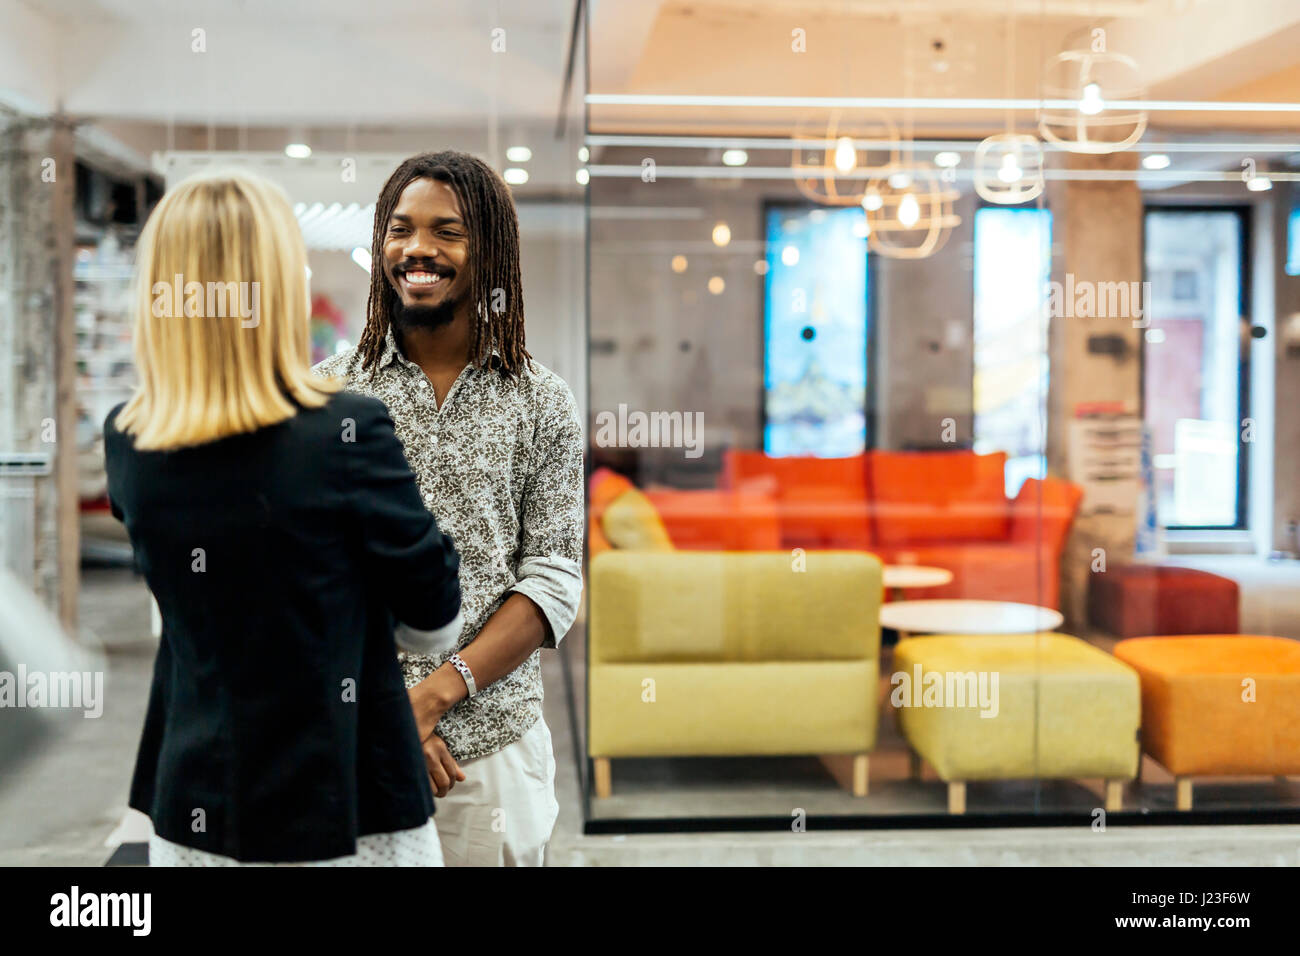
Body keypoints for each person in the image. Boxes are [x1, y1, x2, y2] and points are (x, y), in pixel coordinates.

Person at [105, 169, 464, 866]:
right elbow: (433, 624)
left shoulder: (128, 440)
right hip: (347, 808)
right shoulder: (347, 432)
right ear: (275, 290)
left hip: (194, 809)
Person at [315, 151, 584, 867]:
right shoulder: (323, 396)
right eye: (399, 230)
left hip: (492, 748)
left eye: (448, 231)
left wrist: (433, 697)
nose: (417, 249)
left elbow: (552, 580)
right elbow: (304, 577)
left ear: (489, 250)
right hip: (349, 735)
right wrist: (388, 708)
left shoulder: (542, 401)